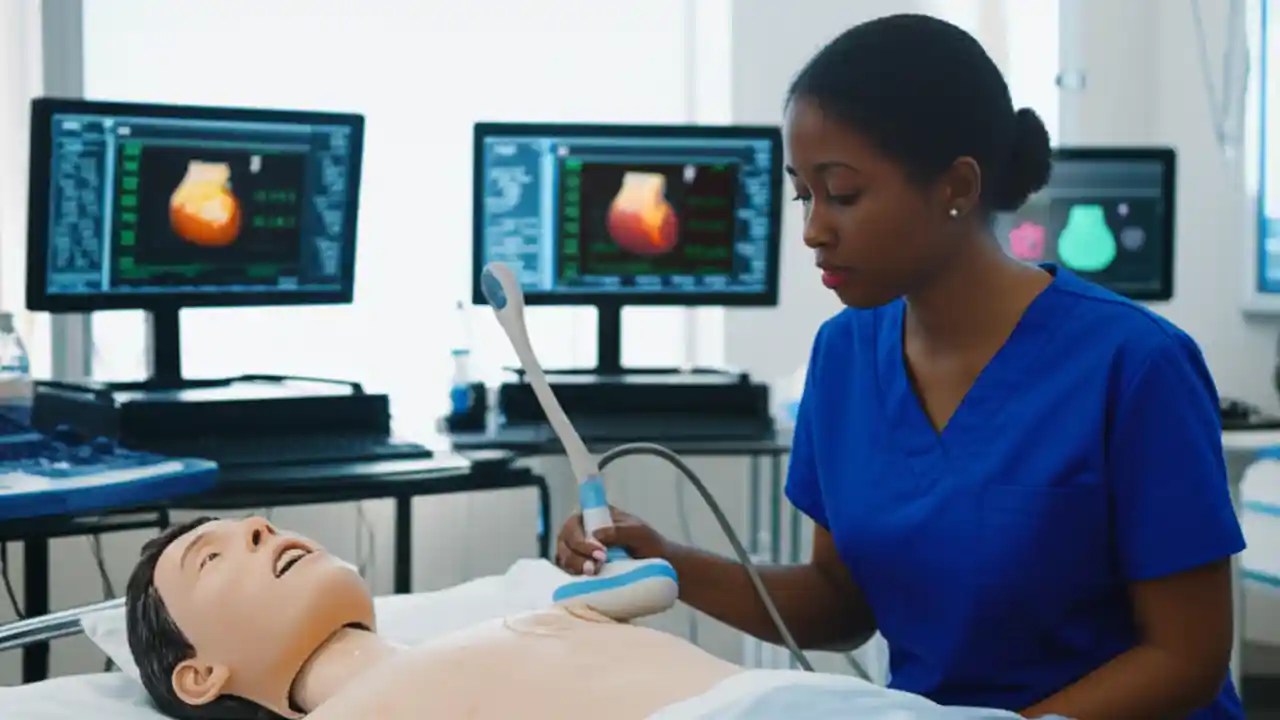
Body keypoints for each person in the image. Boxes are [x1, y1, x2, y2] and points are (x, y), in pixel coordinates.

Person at [556, 13, 1245, 719]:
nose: (813, 230)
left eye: (843, 195)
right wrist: (667, 562)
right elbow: (839, 604)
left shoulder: (1134, 365)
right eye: (804, 195)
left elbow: (1184, 658)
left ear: (957, 187)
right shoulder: (845, 356)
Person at [124, 515, 743, 720]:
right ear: (200, 677)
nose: (261, 527)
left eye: (257, 524)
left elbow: (653, 585)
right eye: (211, 558)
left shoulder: (520, 620)